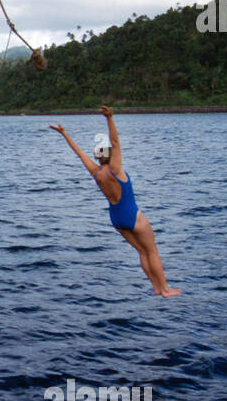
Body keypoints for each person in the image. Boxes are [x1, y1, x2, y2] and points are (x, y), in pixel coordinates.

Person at [49, 106, 180, 297]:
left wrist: (64, 134)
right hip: (132, 216)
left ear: (97, 155)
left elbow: (80, 154)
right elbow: (116, 142)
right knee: (152, 251)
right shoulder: (115, 170)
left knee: (142, 253)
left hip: (116, 219)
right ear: (109, 154)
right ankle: (166, 289)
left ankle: (156, 288)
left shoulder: (96, 172)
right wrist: (109, 118)